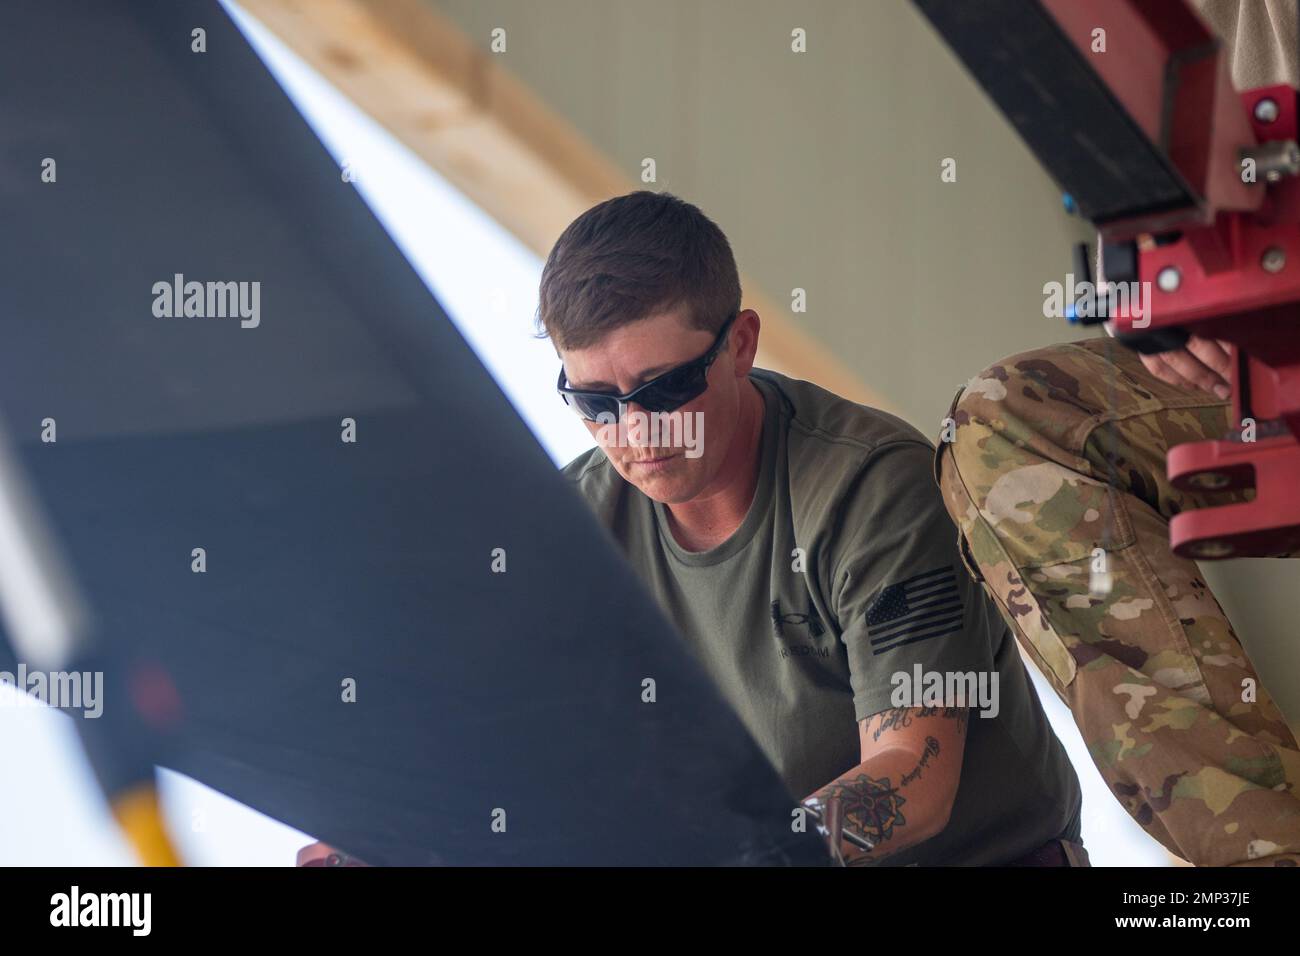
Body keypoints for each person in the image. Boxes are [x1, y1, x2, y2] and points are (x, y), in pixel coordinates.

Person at [545, 190, 1085, 865]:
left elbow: (912, 774)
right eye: (594, 402)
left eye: (664, 391)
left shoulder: (872, 486)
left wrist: (751, 855)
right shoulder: (575, 527)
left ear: (741, 345)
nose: (632, 433)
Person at [933, 0, 1300, 868]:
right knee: (1014, 420)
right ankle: (1264, 855)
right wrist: (1157, 301)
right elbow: (1135, 230)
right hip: (1262, 353)